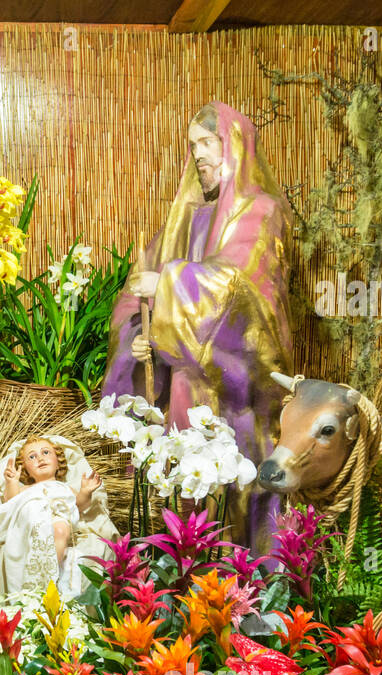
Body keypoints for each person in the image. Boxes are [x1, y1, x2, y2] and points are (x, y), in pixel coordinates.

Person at [100, 101, 295, 553]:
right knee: (185, 503)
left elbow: (243, 288)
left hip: (233, 394)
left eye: (208, 142)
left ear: (236, 147)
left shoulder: (260, 211)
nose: (199, 155)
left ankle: (236, 593)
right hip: (182, 388)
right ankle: (176, 589)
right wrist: (143, 333)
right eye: (193, 146)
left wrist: (167, 286)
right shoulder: (183, 220)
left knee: (232, 495)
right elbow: (138, 285)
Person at [0, 434, 117, 597]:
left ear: (58, 461)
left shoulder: (64, 487)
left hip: (57, 519)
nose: (40, 458)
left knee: (59, 530)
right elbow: (12, 502)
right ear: (25, 468)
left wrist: (86, 491)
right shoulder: (26, 490)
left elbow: (80, 505)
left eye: (46, 453)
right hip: (31, 526)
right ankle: (38, 572)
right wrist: (12, 482)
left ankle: (50, 579)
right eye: (32, 456)